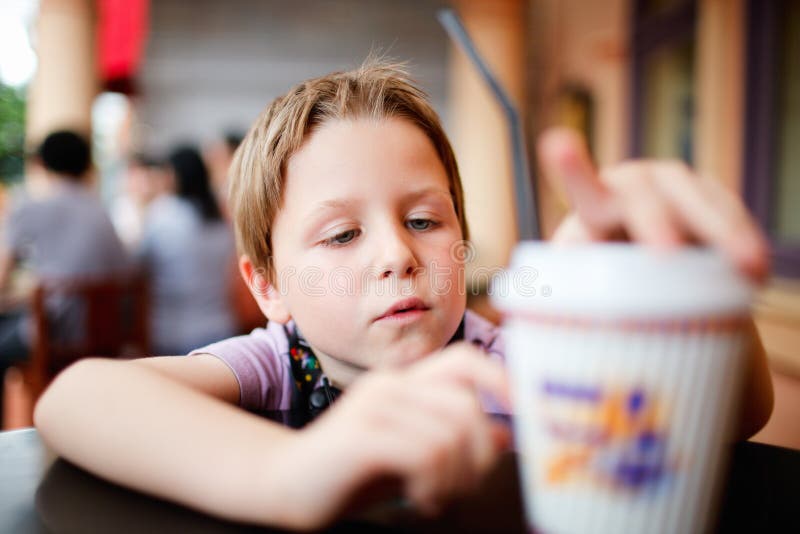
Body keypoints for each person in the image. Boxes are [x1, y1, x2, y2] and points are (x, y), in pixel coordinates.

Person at [33, 62, 773, 530]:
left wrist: (679, 277)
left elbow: (737, 412)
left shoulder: (514, 365)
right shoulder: (278, 366)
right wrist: (286, 474)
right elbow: (77, 399)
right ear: (270, 287)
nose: (396, 255)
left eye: (424, 221)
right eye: (342, 235)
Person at [0, 130, 129, 425]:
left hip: (55, 335)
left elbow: (1, 278)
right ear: (87, 165)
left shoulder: (31, 207)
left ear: (41, 164)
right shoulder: (102, 211)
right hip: (107, 334)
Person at [138, 146, 237, 355]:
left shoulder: (163, 213)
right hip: (222, 329)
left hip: (172, 333)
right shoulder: (219, 218)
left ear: (173, 176)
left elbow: (139, 265)